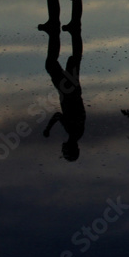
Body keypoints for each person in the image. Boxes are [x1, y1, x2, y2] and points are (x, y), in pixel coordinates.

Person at [42, 24, 85, 161]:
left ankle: (74, 31)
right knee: (52, 64)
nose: (62, 149)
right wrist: (48, 129)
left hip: (72, 90)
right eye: (65, 151)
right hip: (67, 90)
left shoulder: (77, 133)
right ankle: (54, 32)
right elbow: (58, 115)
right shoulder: (73, 131)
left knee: (74, 59)